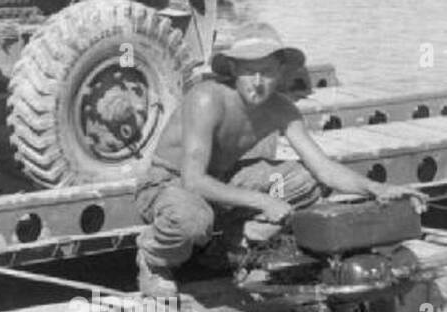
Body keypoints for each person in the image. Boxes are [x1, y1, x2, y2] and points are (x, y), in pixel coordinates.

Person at [134, 23, 427, 297]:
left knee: (306, 181)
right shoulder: (207, 98)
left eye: (268, 72)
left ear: (281, 71)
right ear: (234, 69)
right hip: (170, 185)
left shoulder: (281, 109)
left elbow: (324, 170)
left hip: (222, 182)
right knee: (192, 219)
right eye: (250, 71)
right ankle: (154, 259)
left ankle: (224, 250)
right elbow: (193, 180)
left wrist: (378, 189)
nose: (258, 82)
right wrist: (263, 201)